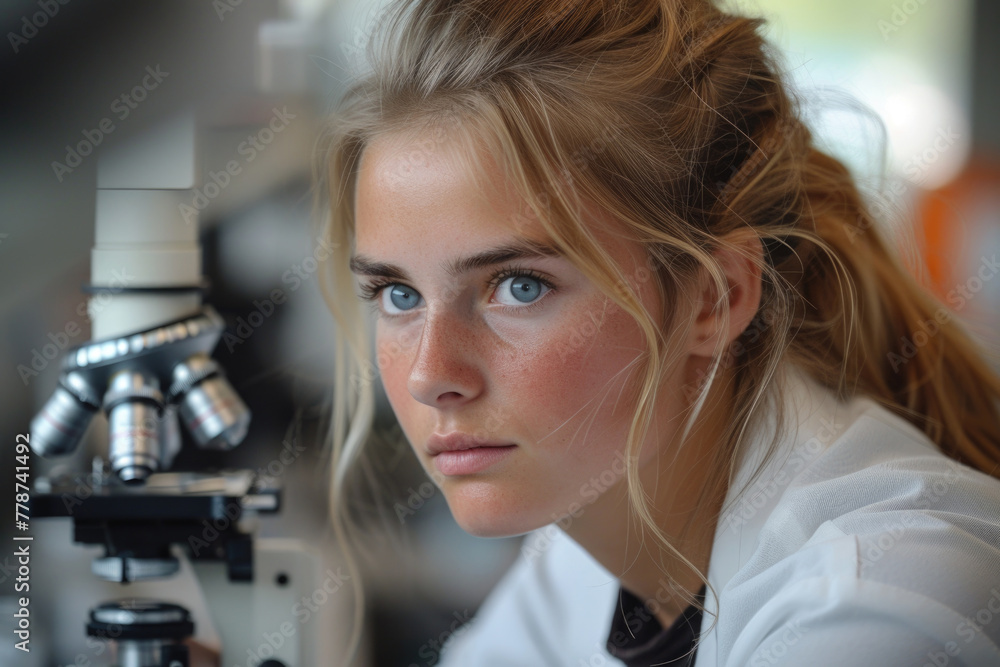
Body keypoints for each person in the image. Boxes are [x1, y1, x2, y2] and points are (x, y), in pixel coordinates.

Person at [312, 0, 1000, 665]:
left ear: (715, 296)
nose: (431, 374)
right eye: (398, 294)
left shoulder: (881, 599)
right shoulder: (588, 545)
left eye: (519, 286)